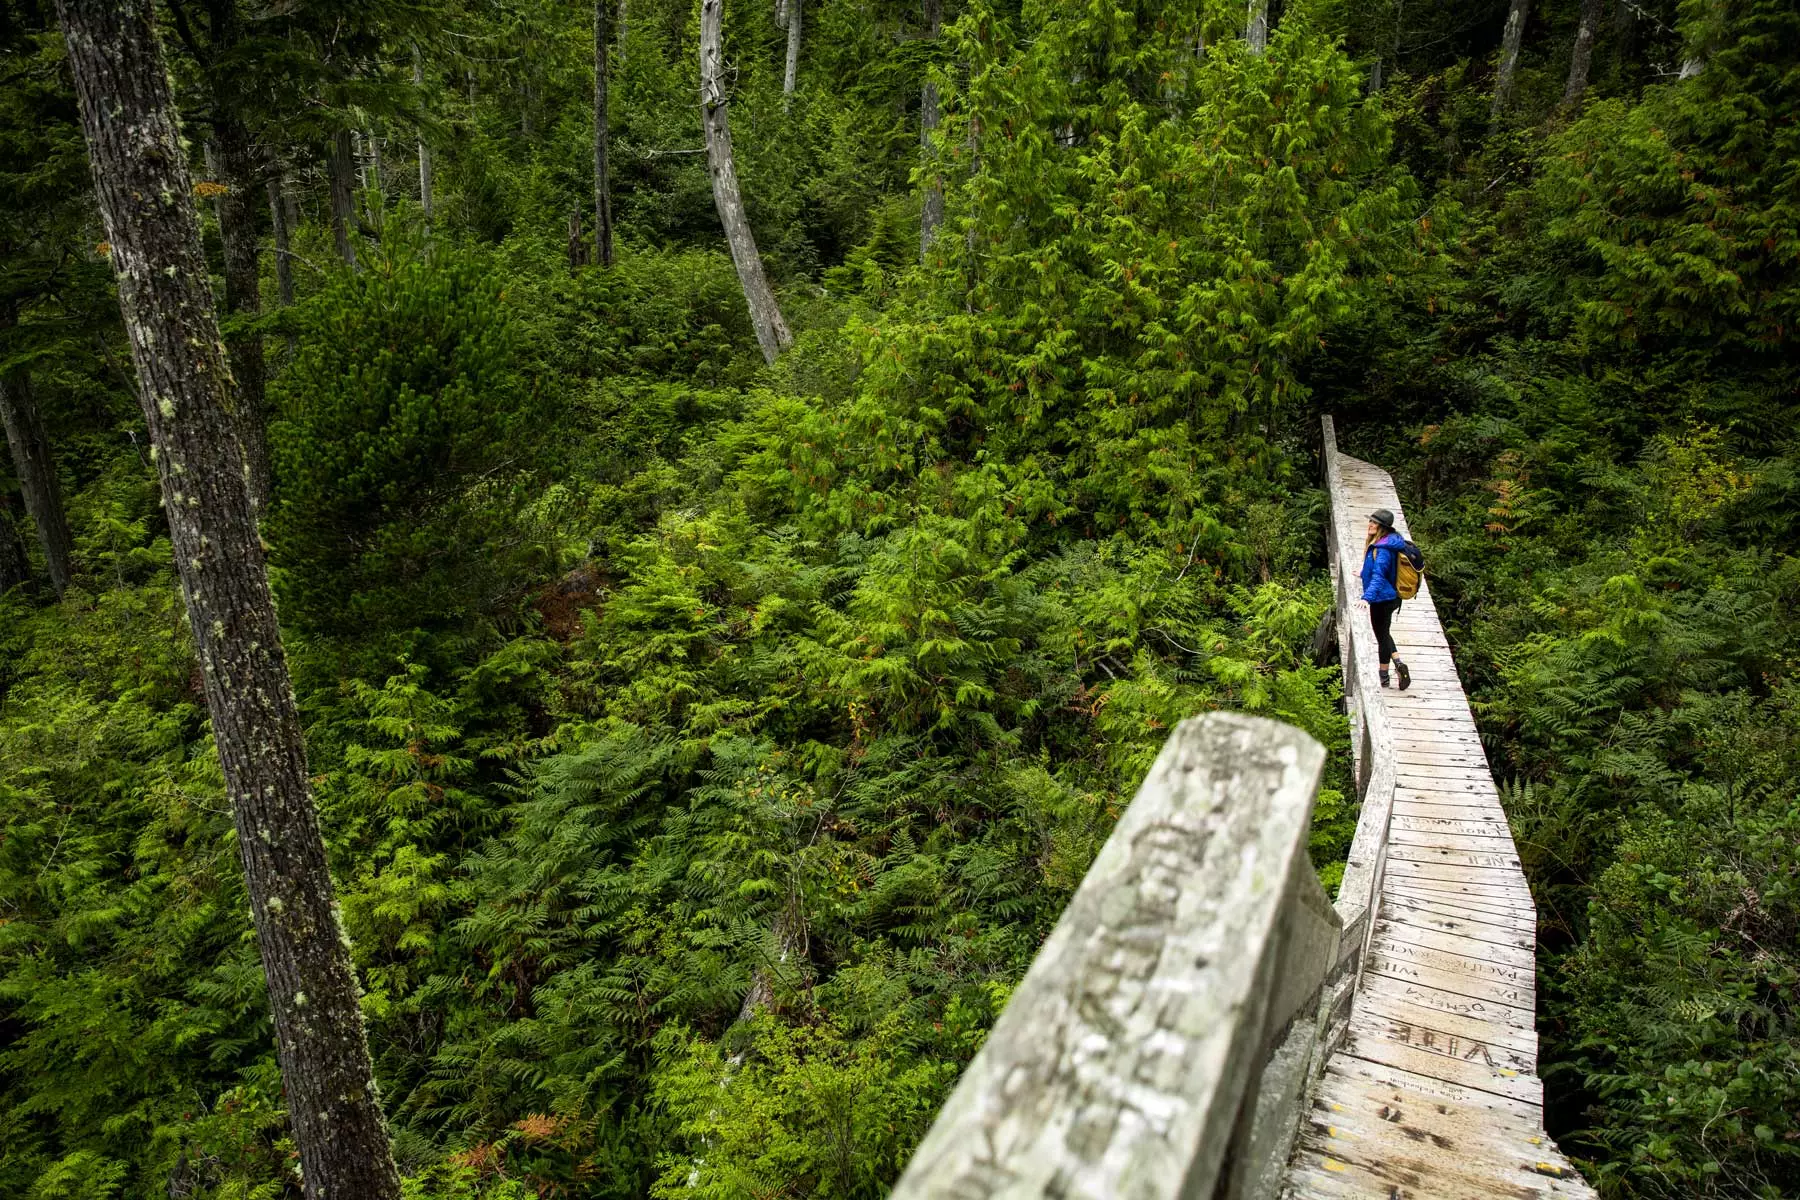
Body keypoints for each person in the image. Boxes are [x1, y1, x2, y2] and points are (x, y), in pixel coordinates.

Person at [1361, 508, 1410, 690]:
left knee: (1381, 636)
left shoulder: (1382, 549)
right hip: (1391, 597)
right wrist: (1361, 573)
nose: (1370, 525)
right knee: (1384, 632)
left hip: (1382, 599)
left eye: (1375, 523)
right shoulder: (1388, 543)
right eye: (1370, 521)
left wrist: (1367, 598)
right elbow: (1379, 572)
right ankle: (1398, 664)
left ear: (1383, 528)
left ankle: (1384, 676)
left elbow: (1379, 576)